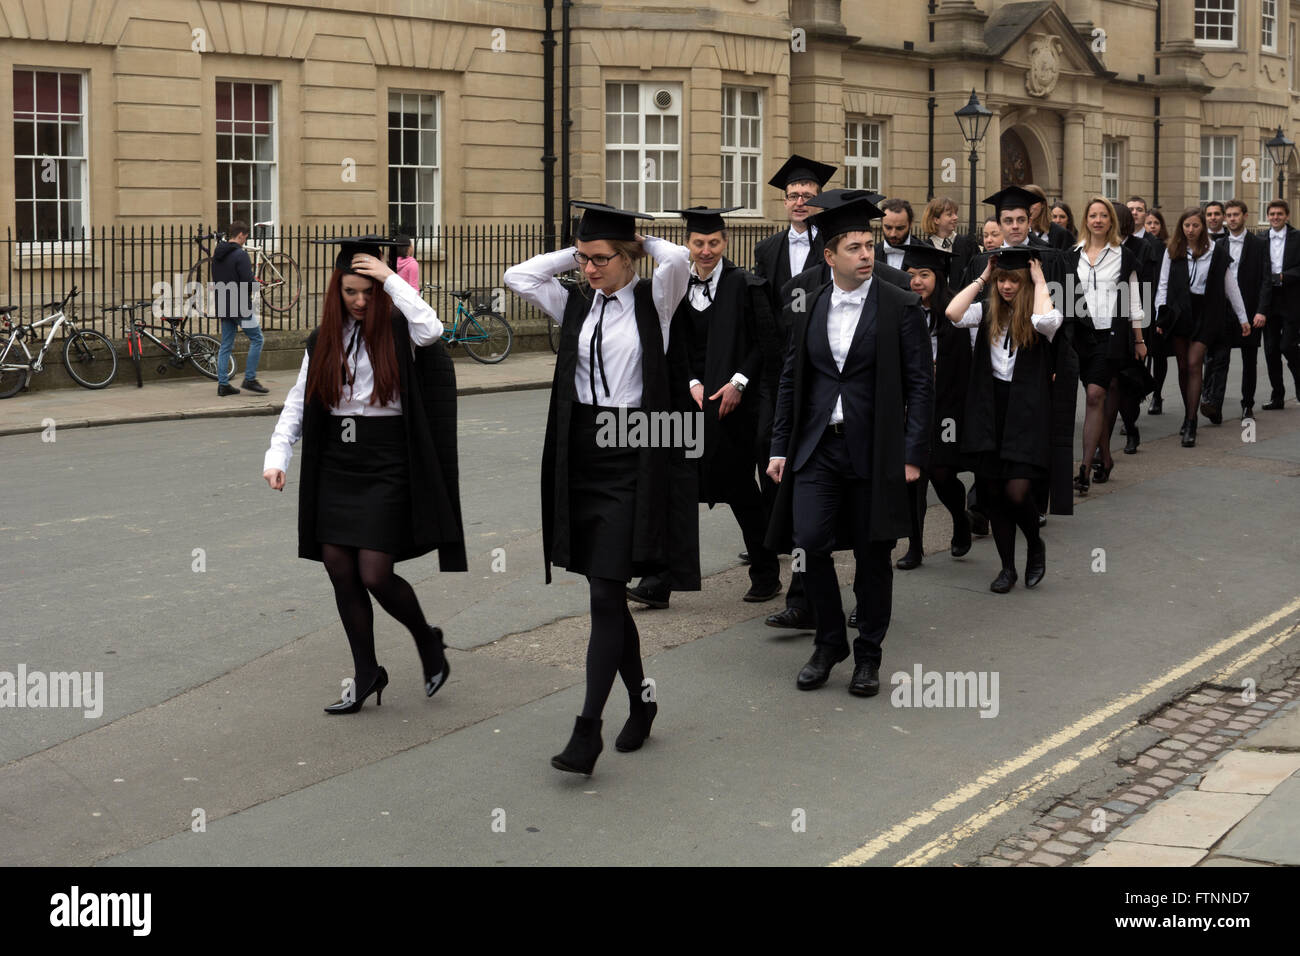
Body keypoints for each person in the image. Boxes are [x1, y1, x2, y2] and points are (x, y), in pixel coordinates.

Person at [503, 201, 696, 776]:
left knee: (605, 595)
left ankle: (588, 728)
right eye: (583, 259)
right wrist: (582, 246)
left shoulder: (655, 299)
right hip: (581, 452)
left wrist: (638, 240)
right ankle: (642, 701)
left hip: (632, 449)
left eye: (600, 259)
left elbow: (682, 256)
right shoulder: (575, 300)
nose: (588, 269)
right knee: (606, 594)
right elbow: (519, 276)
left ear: (629, 256)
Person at [262, 237, 465, 714]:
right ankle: (366, 672)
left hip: (387, 461)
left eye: (367, 291)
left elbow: (433, 328)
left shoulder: (400, 330)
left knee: (374, 572)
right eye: (350, 291)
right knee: (339, 568)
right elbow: (299, 398)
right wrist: (278, 454)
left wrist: (389, 278)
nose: (358, 300)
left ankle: (426, 640)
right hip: (337, 461)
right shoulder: (324, 338)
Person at [765, 193, 932, 696]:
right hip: (818, 448)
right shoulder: (810, 304)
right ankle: (830, 640)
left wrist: (911, 453)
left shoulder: (900, 304)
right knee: (809, 542)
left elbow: (921, 384)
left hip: (876, 451)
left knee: (872, 555)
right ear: (829, 257)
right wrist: (779, 447)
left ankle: (868, 656)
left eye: (869, 245)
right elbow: (793, 378)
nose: (866, 254)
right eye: (855, 247)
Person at [626, 206, 783, 609]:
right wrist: (691, 381)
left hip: (733, 407)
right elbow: (672, 342)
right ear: (688, 245)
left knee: (739, 491)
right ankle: (658, 581)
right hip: (685, 402)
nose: (706, 250)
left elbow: (764, 344)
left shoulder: (747, 285)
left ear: (725, 242)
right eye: (699, 243)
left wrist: (738, 383)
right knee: (673, 490)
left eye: (714, 242)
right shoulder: (676, 285)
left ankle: (766, 573)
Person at [947, 247, 1063, 592]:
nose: (1007, 287)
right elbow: (953, 312)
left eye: (1014, 280)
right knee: (993, 493)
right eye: (1002, 280)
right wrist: (984, 278)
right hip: (988, 408)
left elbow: (1050, 322)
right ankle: (1008, 568)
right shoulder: (986, 312)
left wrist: (1039, 279)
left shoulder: (1036, 315)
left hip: (1025, 411)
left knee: (1016, 493)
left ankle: (1034, 542)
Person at [895, 244, 974, 571]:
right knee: (914, 476)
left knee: (942, 473)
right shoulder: (900, 309)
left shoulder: (955, 311)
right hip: (910, 406)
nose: (917, 282)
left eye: (924, 275)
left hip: (948, 406)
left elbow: (968, 364)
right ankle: (915, 545)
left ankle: (960, 518)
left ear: (938, 278)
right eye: (911, 275)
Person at [1065, 197, 1146, 492]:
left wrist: (1139, 339)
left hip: (1108, 338)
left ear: (1111, 220)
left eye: (1103, 215)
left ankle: (1084, 468)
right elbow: (1063, 298)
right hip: (1079, 337)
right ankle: (1107, 458)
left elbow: (1134, 300)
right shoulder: (1072, 255)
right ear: (1086, 220)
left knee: (1095, 396)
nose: (1098, 220)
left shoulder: (1124, 257)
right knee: (1092, 398)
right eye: (1092, 215)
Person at [1153, 207, 1238, 446]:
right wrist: (1161, 314)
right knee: (1182, 367)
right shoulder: (1173, 250)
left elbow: (1230, 286)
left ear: (1203, 228)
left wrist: (1243, 318)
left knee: (1194, 363)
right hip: (1179, 312)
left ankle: (1191, 421)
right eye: (1186, 225)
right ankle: (1188, 411)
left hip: (1206, 313)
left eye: (1195, 226)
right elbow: (1162, 284)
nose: (1190, 230)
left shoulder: (1216, 252)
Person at [1200, 199, 1271, 422]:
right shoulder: (1218, 245)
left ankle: (1247, 404)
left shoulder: (1259, 244)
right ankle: (1215, 405)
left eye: (1235, 215)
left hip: (1250, 311)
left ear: (1245, 216)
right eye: (1228, 215)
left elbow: (1266, 280)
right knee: (1219, 359)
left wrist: (1261, 311)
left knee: (1250, 360)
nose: (1231, 219)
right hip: (1223, 313)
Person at [753, 155, 837, 326]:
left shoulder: (834, 246)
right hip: (780, 341)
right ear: (785, 202)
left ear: (819, 203)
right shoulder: (765, 248)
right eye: (793, 196)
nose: (799, 203)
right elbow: (762, 304)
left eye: (807, 196)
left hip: (821, 334)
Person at [212, 221, 267, 396]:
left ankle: (223, 385)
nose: (245, 240)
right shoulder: (240, 255)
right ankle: (250, 379)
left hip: (223, 302)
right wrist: (258, 286)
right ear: (241, 235)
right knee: (257, 339)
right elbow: (247, 282)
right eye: (246, 237)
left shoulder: (217, 254)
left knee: (226, 345)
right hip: (240, 305)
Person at [1260, 199, 1300, 410]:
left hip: (1292, 300)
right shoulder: (1261, 239)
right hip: (1269, 300)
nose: (1275, 217)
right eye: (1272, 214)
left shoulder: (1297, 237)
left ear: (1287, 216)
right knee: (1271, 350)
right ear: (1267, 216)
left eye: (1279, 214)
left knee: (1288, 346)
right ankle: (1278, 396)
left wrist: (1283, 277)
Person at [922, 195, 978, 284]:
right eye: (949, 214)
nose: (956, 217)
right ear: (936, 220)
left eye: (956, 213)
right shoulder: (925, 249)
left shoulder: (967, 244)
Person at [1026, 184, 1072, 249]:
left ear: (1043, 204)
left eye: (1032, 201)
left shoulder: (1060, 234)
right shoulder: (1016, 231)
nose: (1028, 205)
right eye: (1024, 201)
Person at [879, 198, 918, 270]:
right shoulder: (872, 253)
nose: (893, 234)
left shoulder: (925, 253)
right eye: (888, 227)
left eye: (900, 228)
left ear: (910, 224)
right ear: (881, 223)